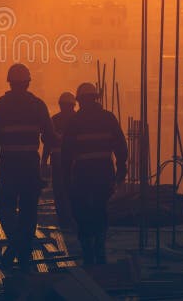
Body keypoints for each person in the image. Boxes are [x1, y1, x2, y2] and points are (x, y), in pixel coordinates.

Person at [0, 63, 53, 271]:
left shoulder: (0, 105)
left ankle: (15, 244)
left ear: (10, 82)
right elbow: (49, 136)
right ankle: (22, 251)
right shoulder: (38, 105)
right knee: (28, 209)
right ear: (27, 83)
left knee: (6, 206)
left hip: (8, 164)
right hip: (30, 166)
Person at [61, 82, 128, 266]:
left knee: (82, 210)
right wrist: (121, 168)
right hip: (104, 172)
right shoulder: (108, 118)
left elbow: (66, 153)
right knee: (100, 208)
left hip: (83, 174)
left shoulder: (75, 121)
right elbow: (120, 146)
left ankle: (88, 246)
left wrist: (66, 178)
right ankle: (99, 243)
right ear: (95, 98)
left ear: (80, 100)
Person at [41, 92, 76, 230]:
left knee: (60, 191)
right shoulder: (78, 119)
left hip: (59, 160)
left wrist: (44, 160)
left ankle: (64, 219)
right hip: (73, 161)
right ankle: (71, 218)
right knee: (70, 190)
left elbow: (47, 142)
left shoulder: (54, 120)